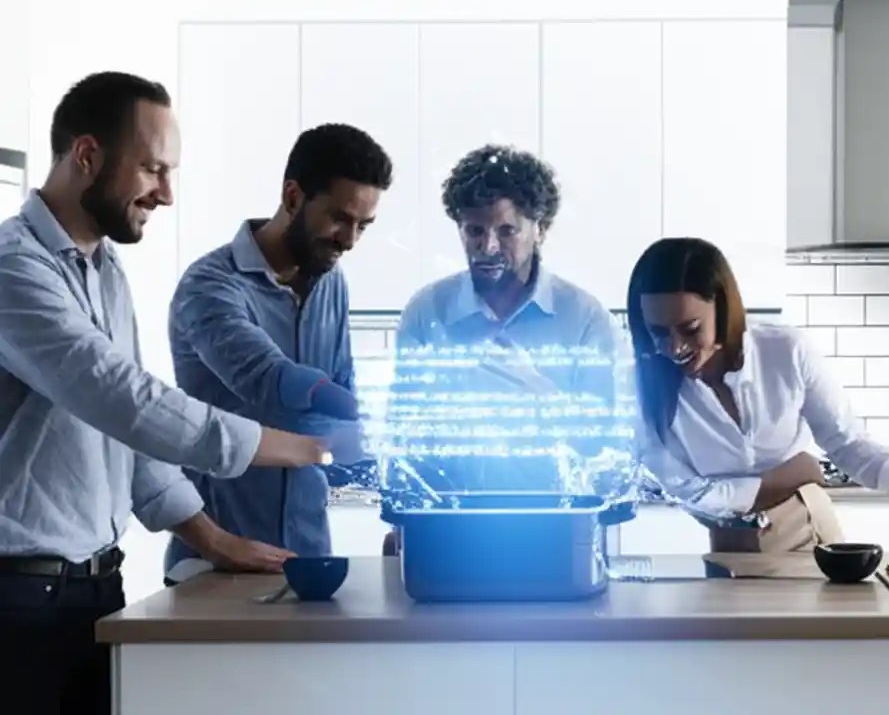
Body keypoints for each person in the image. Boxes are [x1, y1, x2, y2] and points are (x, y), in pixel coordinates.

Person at [0, 71, 332, 713]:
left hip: (93, 589)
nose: (168, 193)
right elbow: (121, 397)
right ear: (88, 156)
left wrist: (211, 537)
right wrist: (300, 447)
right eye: (153, 169)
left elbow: (130, 430)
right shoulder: (14, 269)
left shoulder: (102, 266)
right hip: (16, 600)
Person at [626, 237, 889, 552]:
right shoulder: (642, 388)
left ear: (723, 307)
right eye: (658, 331)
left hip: (809, 530)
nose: (674, 347)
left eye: (690, 328)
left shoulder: (785, 351)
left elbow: (849, 445)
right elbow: (694, 495)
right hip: (730, 543)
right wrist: (794, 473)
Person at [162, 123, 394, 575]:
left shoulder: (332, 281)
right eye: (340, 219)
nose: (349, 239)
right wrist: (364, 411)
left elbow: (341, 391)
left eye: (363, 226)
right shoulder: (208, 287)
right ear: (293, 197)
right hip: (216, 560)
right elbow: (268, 378)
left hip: (308, 556)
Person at [384, 144, 622, 553]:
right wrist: (402, 525)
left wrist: (540, 392)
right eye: (474, 231)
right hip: (450, 530)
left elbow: (606, 448)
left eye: (507, 231)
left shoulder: (585, 318)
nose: (488, 246)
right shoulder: (428, 312)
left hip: (555, 532)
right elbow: (404, 437)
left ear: (540, 228)